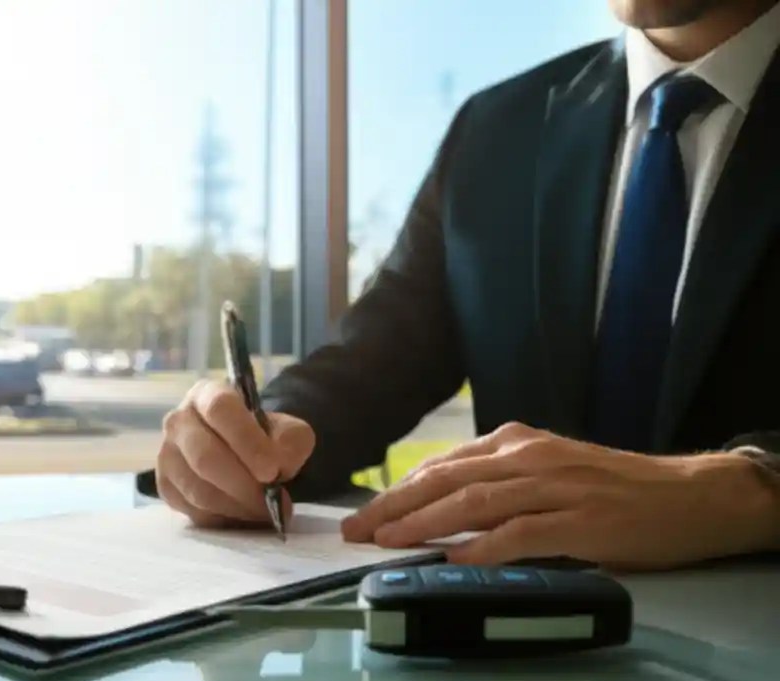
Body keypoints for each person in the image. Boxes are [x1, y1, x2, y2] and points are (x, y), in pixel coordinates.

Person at [156, 0, 780, 570]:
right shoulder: (495, 131)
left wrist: (745, 491)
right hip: (515, 662)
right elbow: (370, 365)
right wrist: (253, 440)